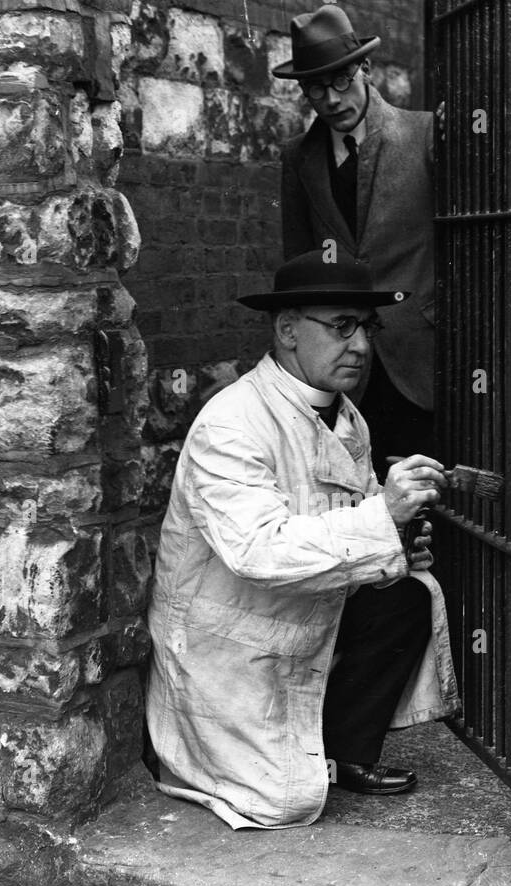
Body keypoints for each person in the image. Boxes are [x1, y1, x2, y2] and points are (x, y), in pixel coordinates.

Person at [144, 252, 460, 830]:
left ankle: (345, 750)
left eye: (368, 327)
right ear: (287, 330)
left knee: (409, 596)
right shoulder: (231, 422)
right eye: (341, 326)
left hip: (304, 606)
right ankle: (213, 748)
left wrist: (393, 542)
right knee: (279, 802)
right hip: (232, 632)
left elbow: (355, 526)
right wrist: (379, 518)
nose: (361, 345)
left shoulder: (348, 418)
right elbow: (257, 551)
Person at [276, 4, 437, 481]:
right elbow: (299, 260)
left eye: (341, 80)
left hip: (421, 354)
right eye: (315, 88)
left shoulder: (426, 133)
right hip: (342, 359)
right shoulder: (298, 158)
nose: (330, 98)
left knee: (429, 491)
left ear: (365, 69)